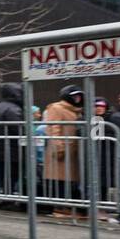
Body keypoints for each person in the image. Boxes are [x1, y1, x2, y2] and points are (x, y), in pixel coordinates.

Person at [43, 84, 84, 219]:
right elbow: (53, 129)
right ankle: (60, 207)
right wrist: (59, 148)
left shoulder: (77, 110)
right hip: (62, 151)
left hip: (73, 151)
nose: (77, 99)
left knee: (70, 180)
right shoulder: (56, 108)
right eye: (75, 96)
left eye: (79, 96)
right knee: (60, 179)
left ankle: (67, 206)